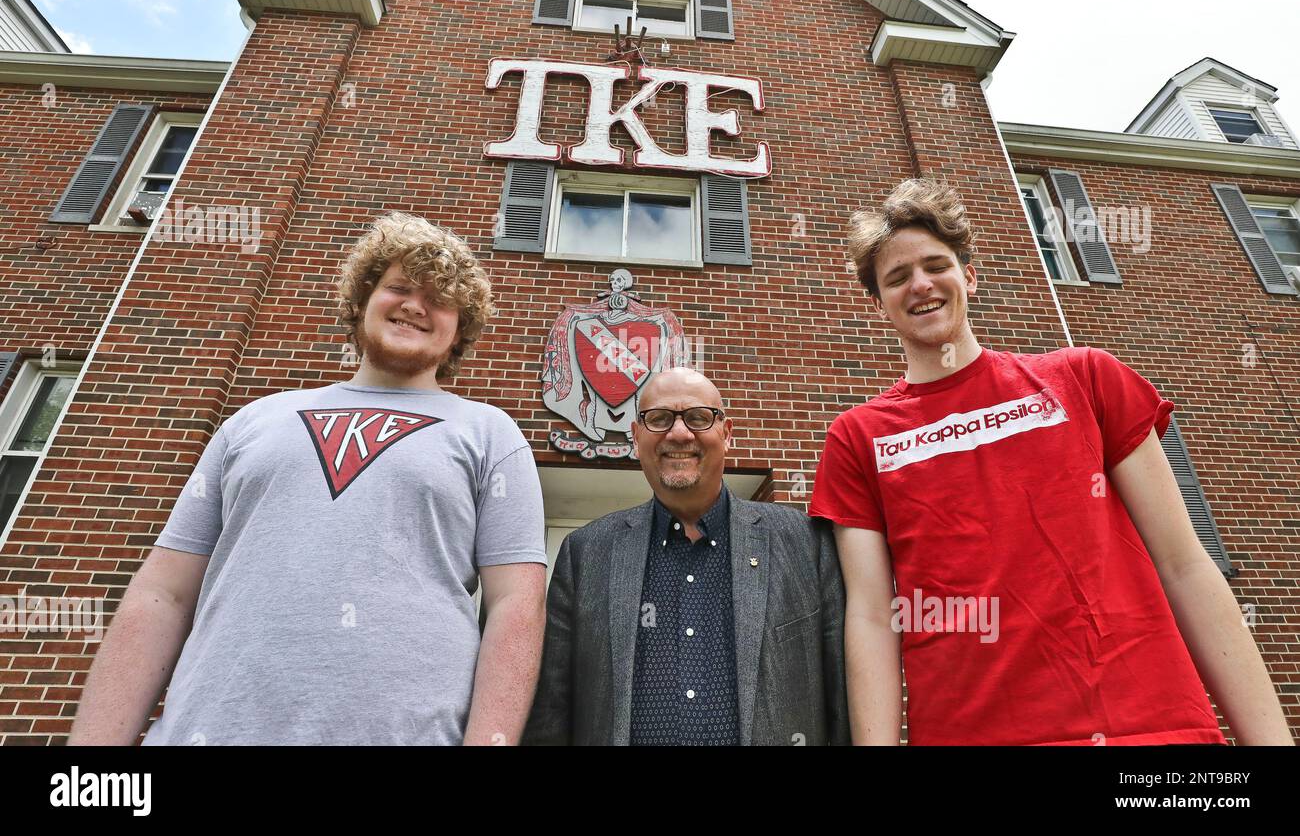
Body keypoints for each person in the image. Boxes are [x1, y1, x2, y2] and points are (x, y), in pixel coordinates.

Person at [811, 179, 1293, 746]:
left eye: (935, 265)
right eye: (897, 278)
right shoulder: (857, 436)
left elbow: (1183, 564)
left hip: (1148, 731)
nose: (920, 284)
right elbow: (870, 617)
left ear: (969, 275)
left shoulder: (1085, 378)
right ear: (880, 305)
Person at [68, 212, 547, 745]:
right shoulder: (252, 421)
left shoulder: (490, 434)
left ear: (461, 328)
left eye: (439, 298)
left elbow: (515, 606)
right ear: (363, 300)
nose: (415, 305)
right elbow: (163, 593)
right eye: (399, 288)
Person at [525, 367, 849, 745]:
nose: (679, 433)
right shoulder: (585, 554)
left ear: (726, 435)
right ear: (636, 437)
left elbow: (842, 698)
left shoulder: (806, 545)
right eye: (659, 419)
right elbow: (551, 712)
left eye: (698, 417)